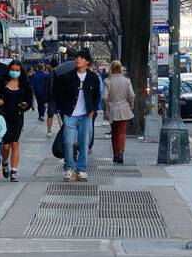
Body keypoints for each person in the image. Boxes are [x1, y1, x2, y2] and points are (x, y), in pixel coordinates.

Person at [51, 48, 101, 182]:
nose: (78, 59)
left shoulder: (93, 77)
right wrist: (62, 109)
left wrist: (93, 109)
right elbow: (57, 93)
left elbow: (97, 95)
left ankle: (81, 170)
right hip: (70, 114)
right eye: (77, 57)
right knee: (68, 142)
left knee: (84, 143)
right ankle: (68, 168)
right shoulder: (67, 77)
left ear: (87, 61)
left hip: (86, 115)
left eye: (82, 58)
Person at [0, 60, 33, 181]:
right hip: (3, 117)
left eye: (17, 70)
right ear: (9, 69)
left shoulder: (24, 84)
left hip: (17, 116)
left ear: (21, 71)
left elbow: (29, 100)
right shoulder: (2, 81)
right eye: (13, 70)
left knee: (15, 143)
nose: (15, 72)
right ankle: (5, 163)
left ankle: (14, 172)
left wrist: (25, 105)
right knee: (6, 146)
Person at [103, 60, 137, 163]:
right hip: (124, 108)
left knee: (114, 132)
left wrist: (106, 107)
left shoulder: (107, 81)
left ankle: (116, 154)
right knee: (122, 132)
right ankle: (121, 152)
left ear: (111, 69)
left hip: (112, 109)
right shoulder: (127, 81)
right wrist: (130, 105)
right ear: (121, 68)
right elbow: (132, 95)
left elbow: (104, 97)